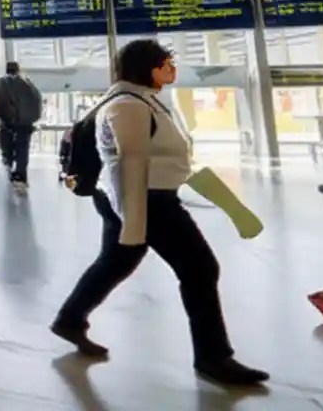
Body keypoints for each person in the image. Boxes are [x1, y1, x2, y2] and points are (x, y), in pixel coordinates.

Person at [51, 39, 268, 386]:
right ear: (146, 68)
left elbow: (166, 160)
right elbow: (129, 165)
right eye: (165, 63)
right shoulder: (128, 106)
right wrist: (134, 223)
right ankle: (213, 357)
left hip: (142, 196)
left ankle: (70, 319)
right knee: (200, 269)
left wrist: (231, 207)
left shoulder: (140, 101)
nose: (171, 69)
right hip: (147, 199)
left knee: (117, 261)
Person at [0, 61, 44, 192]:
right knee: (22, 149)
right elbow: (37, 100)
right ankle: (20, 175)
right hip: (23, 123)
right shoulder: (28, 83)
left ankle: (13, 166)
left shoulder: (0, 83)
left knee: (9, 147)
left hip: (8, 122)